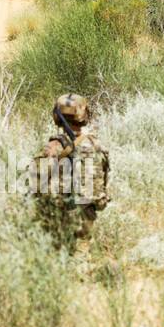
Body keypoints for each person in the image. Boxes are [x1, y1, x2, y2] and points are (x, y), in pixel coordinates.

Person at [30, 93, 110, 249]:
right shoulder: (97, 145)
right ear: (85, 115)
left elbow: (35, 188)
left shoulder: (53, 148)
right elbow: (103, 187)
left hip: (58, 224)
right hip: (86, 222)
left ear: (57, 117)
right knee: (81, 262)